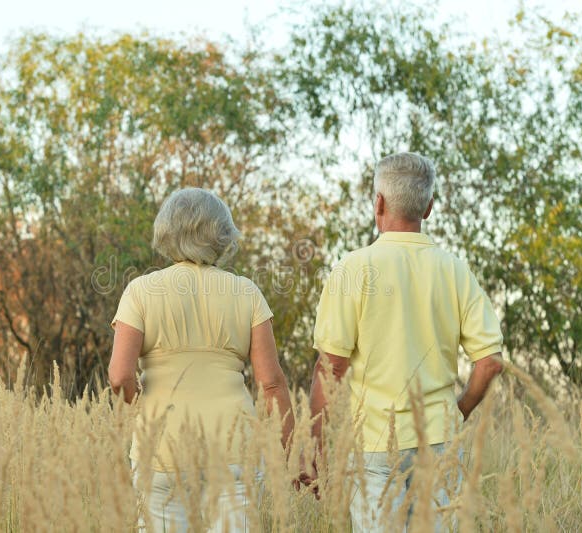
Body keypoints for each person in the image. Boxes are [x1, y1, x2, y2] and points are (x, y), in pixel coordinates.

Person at [308, 152, 504, 531]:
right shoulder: (454, 268)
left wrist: (312, 445)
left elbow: (331, 367)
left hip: (376, 445)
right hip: (441, 439)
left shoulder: (353, 268)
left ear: (378, 202)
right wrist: (457, 410)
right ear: (428, 207)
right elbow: (491, 362)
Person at [109, 187, 294, 533]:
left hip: (161, 451)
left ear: (167, 231)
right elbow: (271, 382)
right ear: (220, 234)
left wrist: (141, 405)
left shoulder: (140, 291)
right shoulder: (246, 292)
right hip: (235, 450)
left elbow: (119, 376)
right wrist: (293, 452)